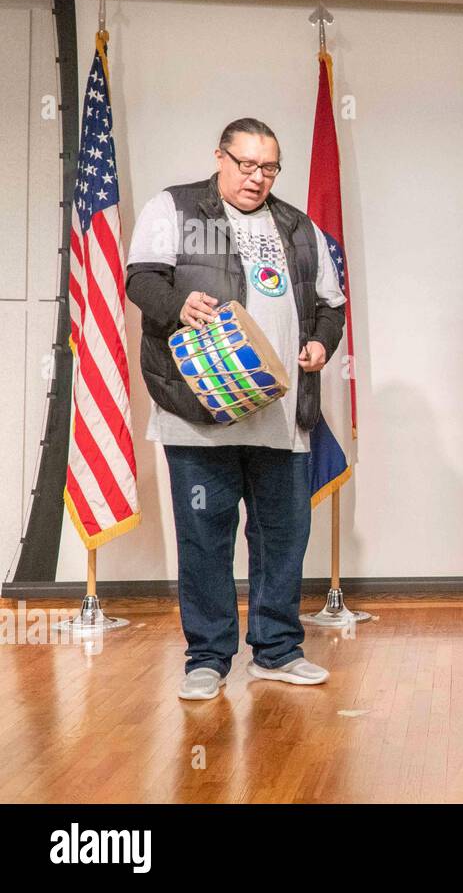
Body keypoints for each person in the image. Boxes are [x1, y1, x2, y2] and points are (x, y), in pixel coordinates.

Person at [126, 118, 347, 700]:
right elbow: (142, 280)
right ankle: (207, 658)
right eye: (245, 164)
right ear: (219, 157)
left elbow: (331, 305)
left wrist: (323, 342)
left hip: (280, 416)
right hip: (198, 413)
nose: (256, 177)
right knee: (205, 537)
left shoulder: (299, 226)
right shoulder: (174, 208)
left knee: (283, 536)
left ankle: (277, 649)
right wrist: (178, 304)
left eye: (268, 167)